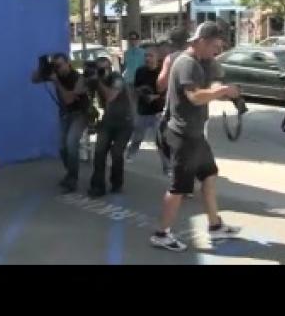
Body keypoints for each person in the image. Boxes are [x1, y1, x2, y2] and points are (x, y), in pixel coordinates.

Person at [150, 22, 242, 252]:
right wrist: (221, 91)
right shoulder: (186, 63)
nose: (217, 51)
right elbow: (194, 97)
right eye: (214, 46)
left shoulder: (205, 61)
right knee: (179, 187)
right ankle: (161, 234)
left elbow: (214, 80)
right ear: (200, 42)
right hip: (180, 134)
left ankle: (215, 225)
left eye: (220, 46)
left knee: (209, 174)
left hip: (195, 134)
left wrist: (224, 91)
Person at [32, 54, 89, 193]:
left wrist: (57, 82)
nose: (58, 68)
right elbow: (34, 80)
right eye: (56, 65)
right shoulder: (56, 74)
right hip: (65, 115)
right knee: (62, 148)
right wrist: (43, 69)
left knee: (71, 143)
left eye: (60, 65)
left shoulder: (78, 78)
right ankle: (70, 173)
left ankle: (73, 179)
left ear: (68, 63)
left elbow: (69, 99)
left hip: (80, 114)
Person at [87, 57, 133, 198]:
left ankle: (117, 183)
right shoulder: (95, 80)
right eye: (100, 68)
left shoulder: (117, 78)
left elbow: (110, 97)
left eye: (105, 68)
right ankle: (97, 186)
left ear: (110, 68)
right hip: (107, 121)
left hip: (124, 122)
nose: (102, 72)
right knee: (99, 152)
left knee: (117, 153)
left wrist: (98, 81)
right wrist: (88, 78)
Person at [125, 49, 169, 173]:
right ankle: (131, 153)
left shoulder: (163, 72)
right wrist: (142, 93)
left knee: (161, 140)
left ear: (157, 57)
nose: (148, 58)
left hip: (158, 112)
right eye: (146, 56)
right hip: (143, 111)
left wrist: (156, 97)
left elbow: (169, 92)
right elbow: (136, 88)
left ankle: (167, 167)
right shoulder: (140, 71)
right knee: (137, 136)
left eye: (151, 55)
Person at [122, 31, 146, 120]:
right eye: (131, 39)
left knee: (138, 100)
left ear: (138, 40)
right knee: (131, 101)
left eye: (135, 39)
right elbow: (125, 66)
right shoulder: (126, 53)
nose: (133, 41)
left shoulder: (143, 52)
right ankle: (134, 120)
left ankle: (138, 119)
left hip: (139, 80)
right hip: (128, 80)